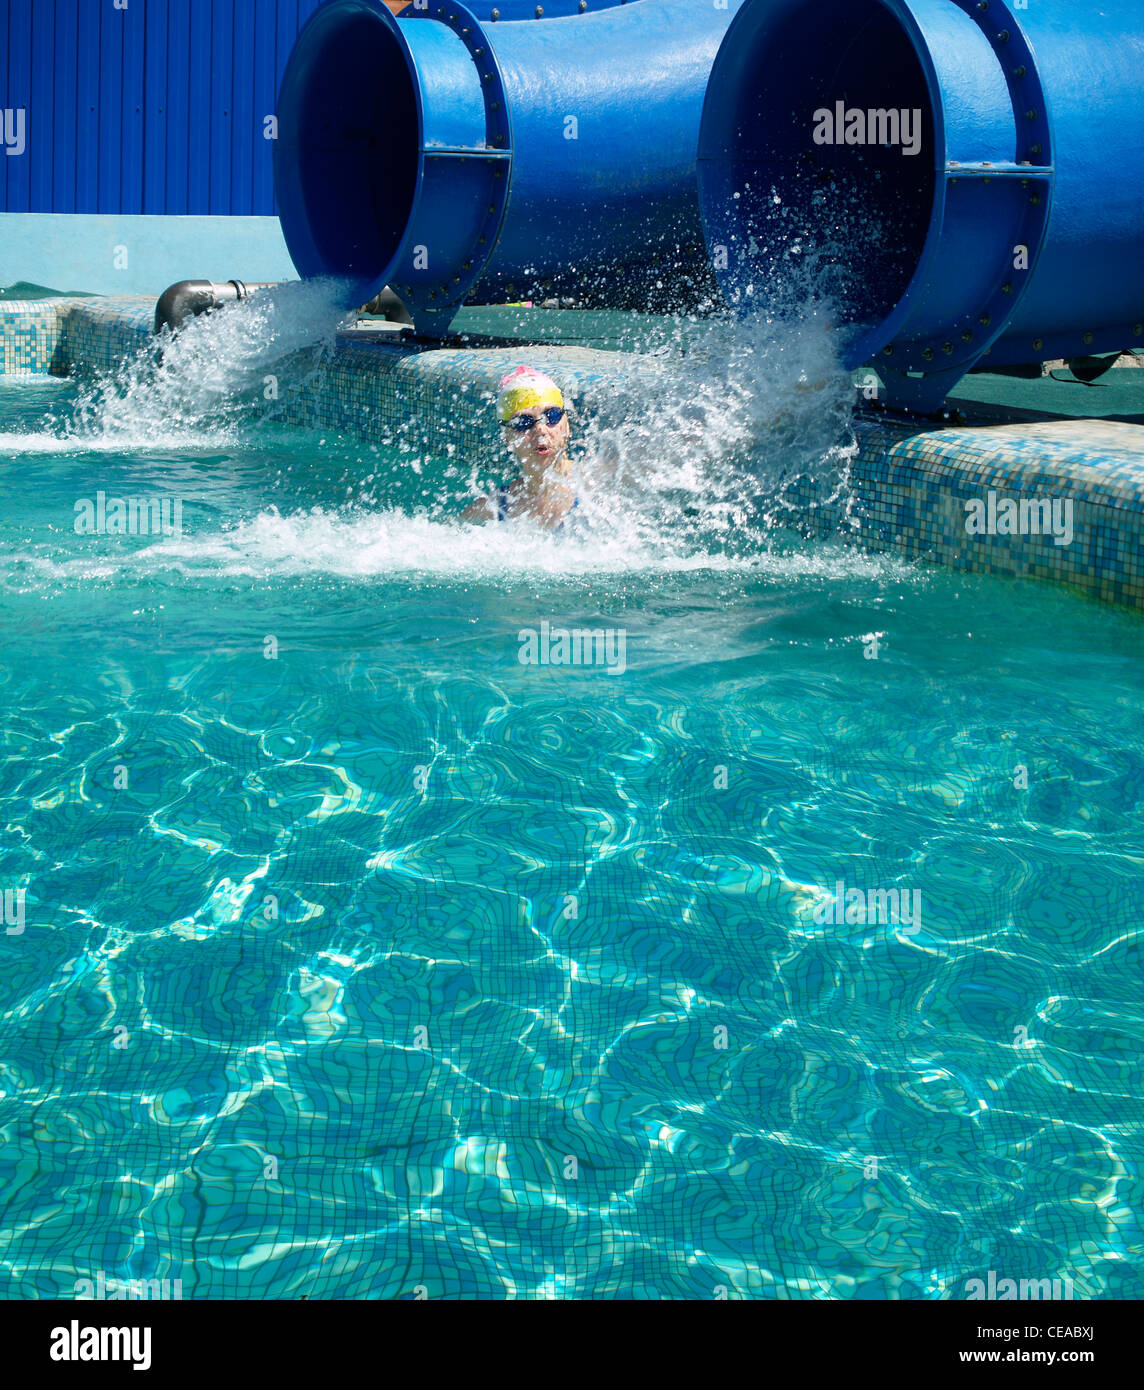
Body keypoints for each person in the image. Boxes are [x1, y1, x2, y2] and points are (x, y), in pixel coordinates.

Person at [462, 367, 581, 531]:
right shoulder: (494, 507)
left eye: (551, 415)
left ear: (566, 426)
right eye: (523, 422)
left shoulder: (596, 486)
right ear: (507, 439)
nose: (540, 429)